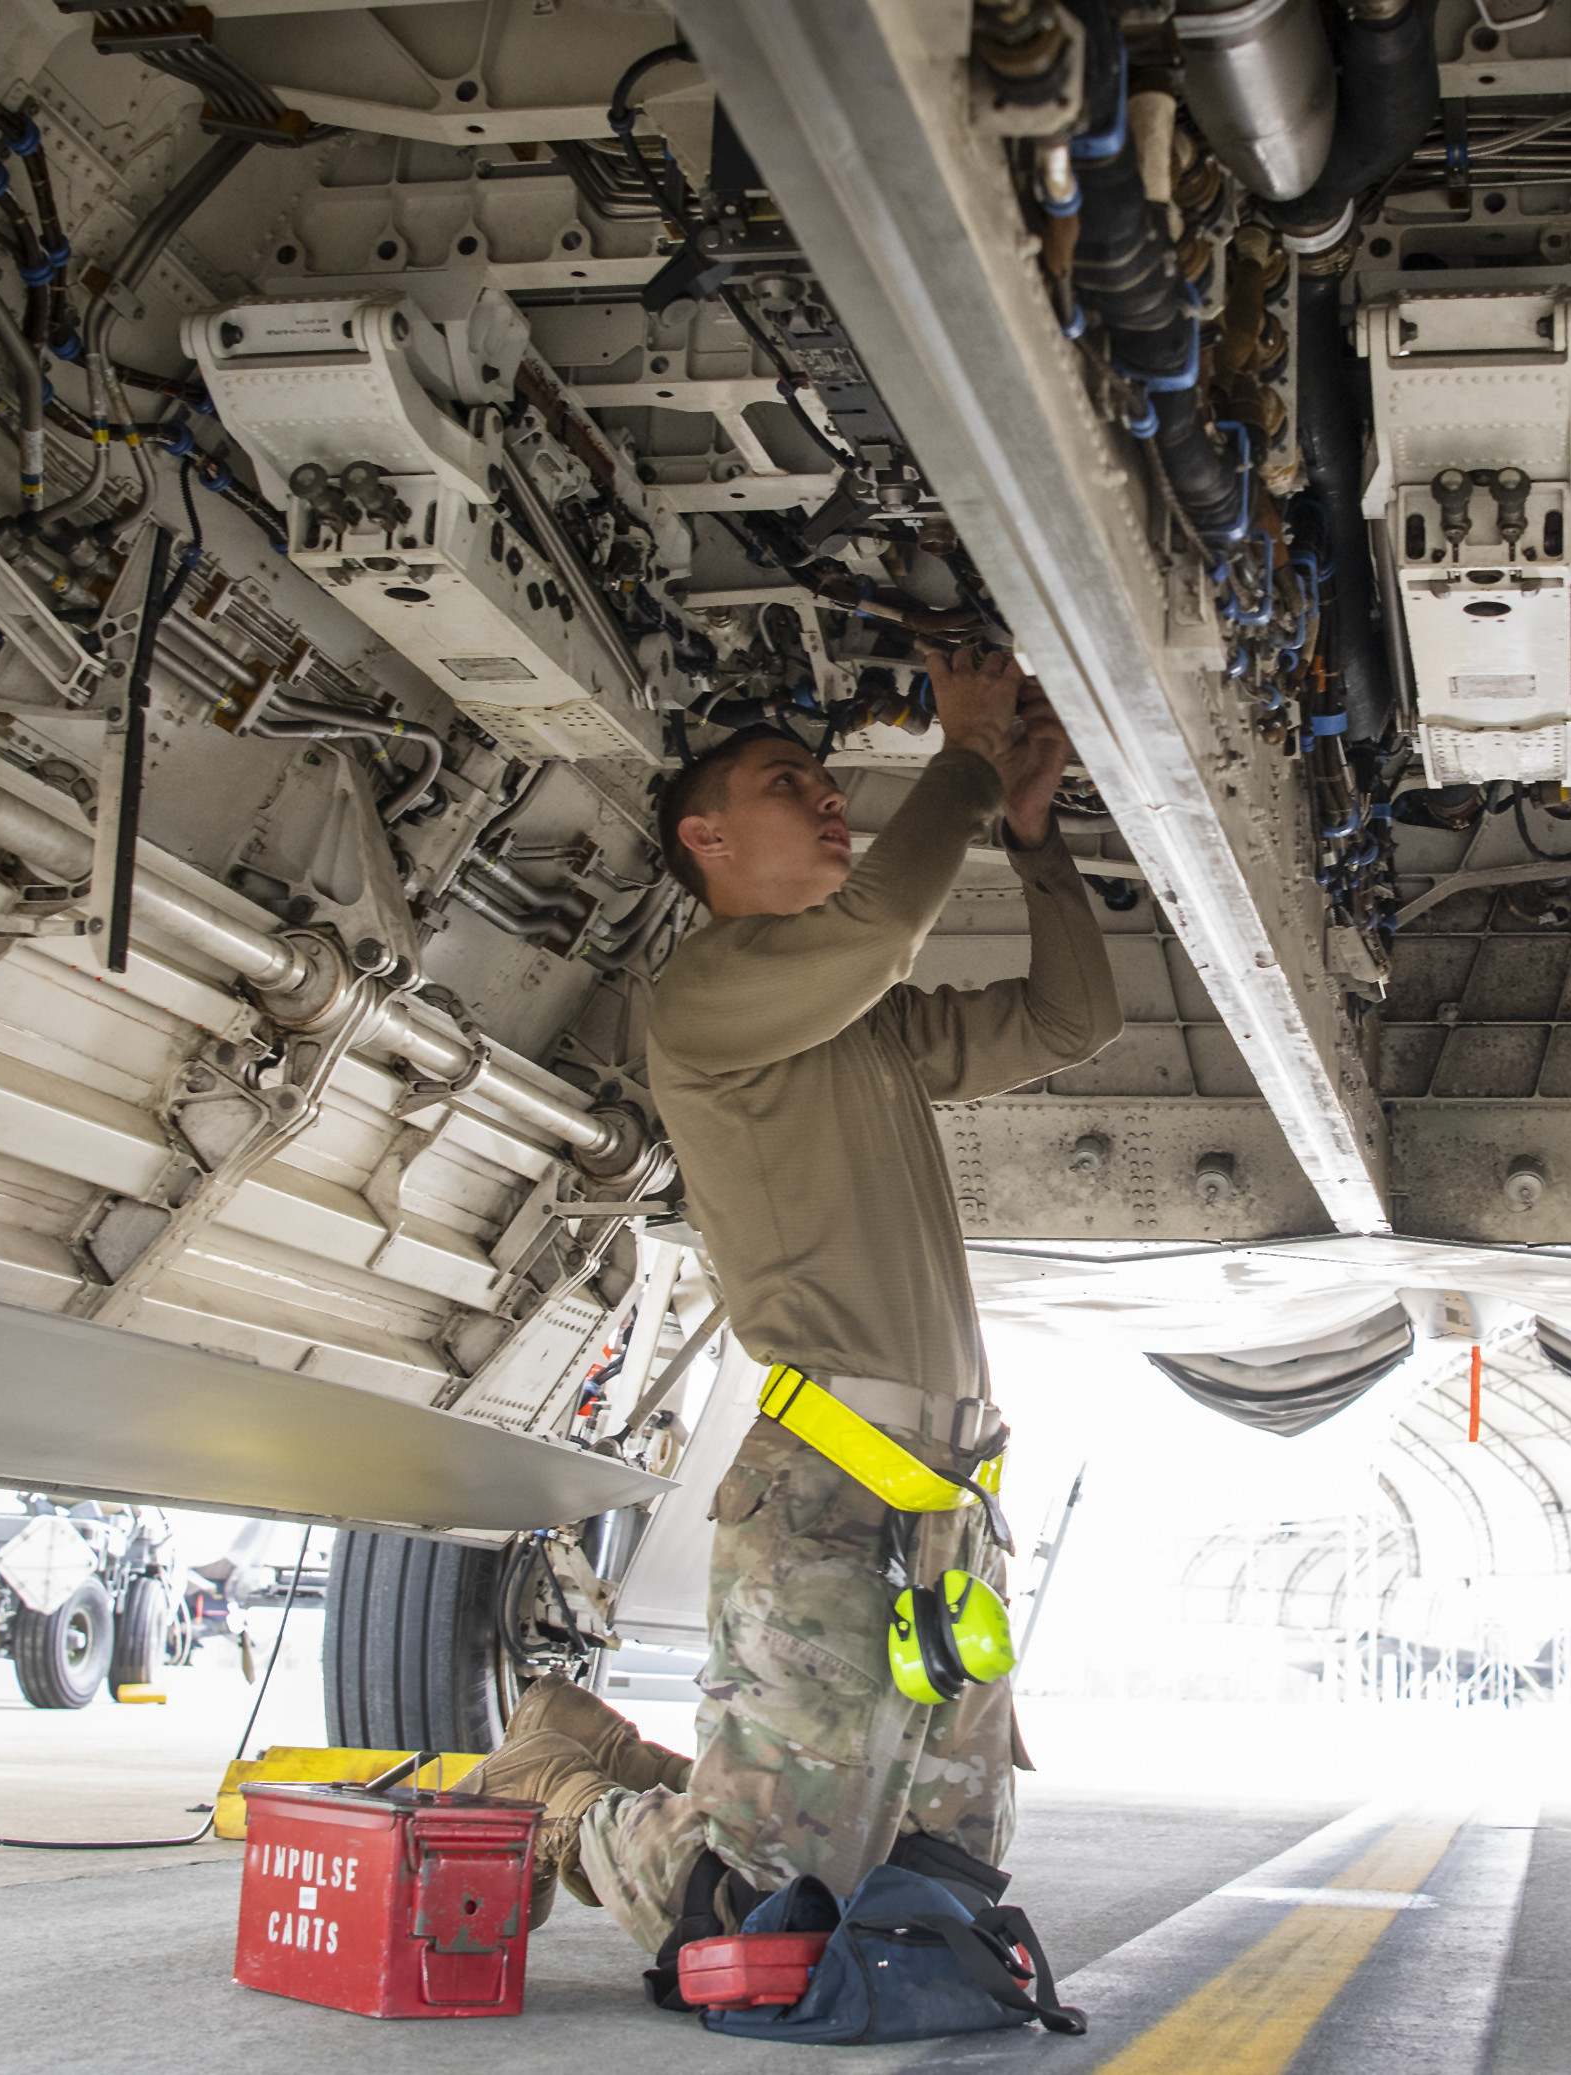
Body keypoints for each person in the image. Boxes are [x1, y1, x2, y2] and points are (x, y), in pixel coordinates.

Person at [459, 644, 1122, 1962]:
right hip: (827, 1484)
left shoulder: (859, 1023)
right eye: (787, 785)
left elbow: (1069, 1021)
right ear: (704, 839)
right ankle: (550, 1780)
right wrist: (968, 763)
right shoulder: (703, 999)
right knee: (754, 1917)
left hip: (944, 1494)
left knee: (936, 1885)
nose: (829, 802)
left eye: (829, 785)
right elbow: (879, 927)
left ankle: (633, 1763)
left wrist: (1034, 837)